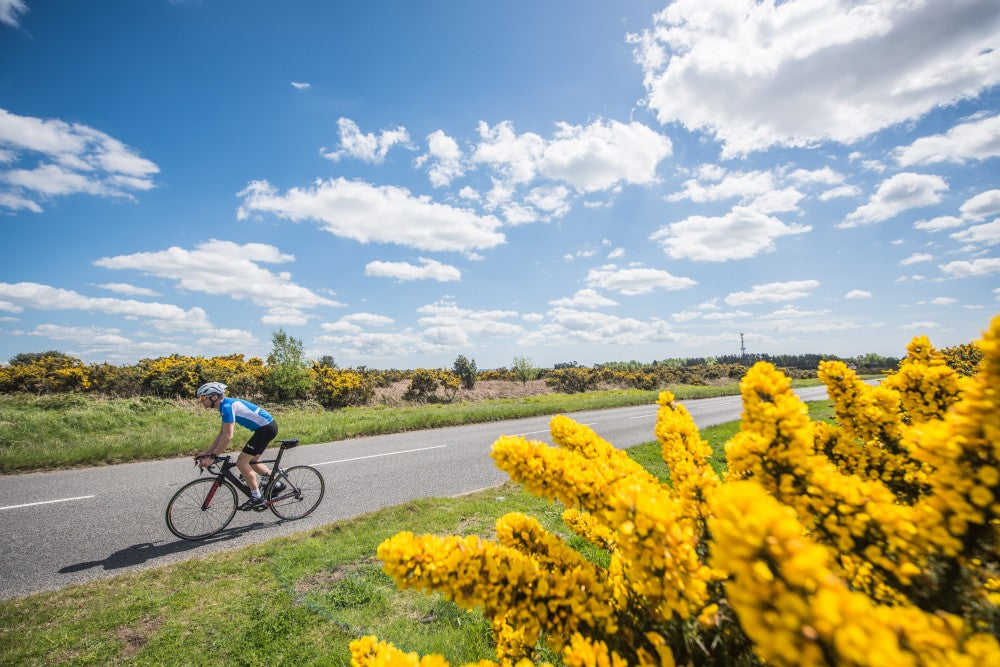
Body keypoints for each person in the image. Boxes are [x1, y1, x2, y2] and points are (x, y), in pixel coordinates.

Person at [194, 382, 283, 510]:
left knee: (241, 463)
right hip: (266, 428)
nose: (201, 401)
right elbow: (221, 434)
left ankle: (256, 497)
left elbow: (228, 436)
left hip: (266, 428)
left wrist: (213, 457)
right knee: (252, 461)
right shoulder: (225, 406)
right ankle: (277, 484)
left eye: (203, 398)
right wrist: (208, 453)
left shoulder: (227, 407)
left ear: (213, 397)